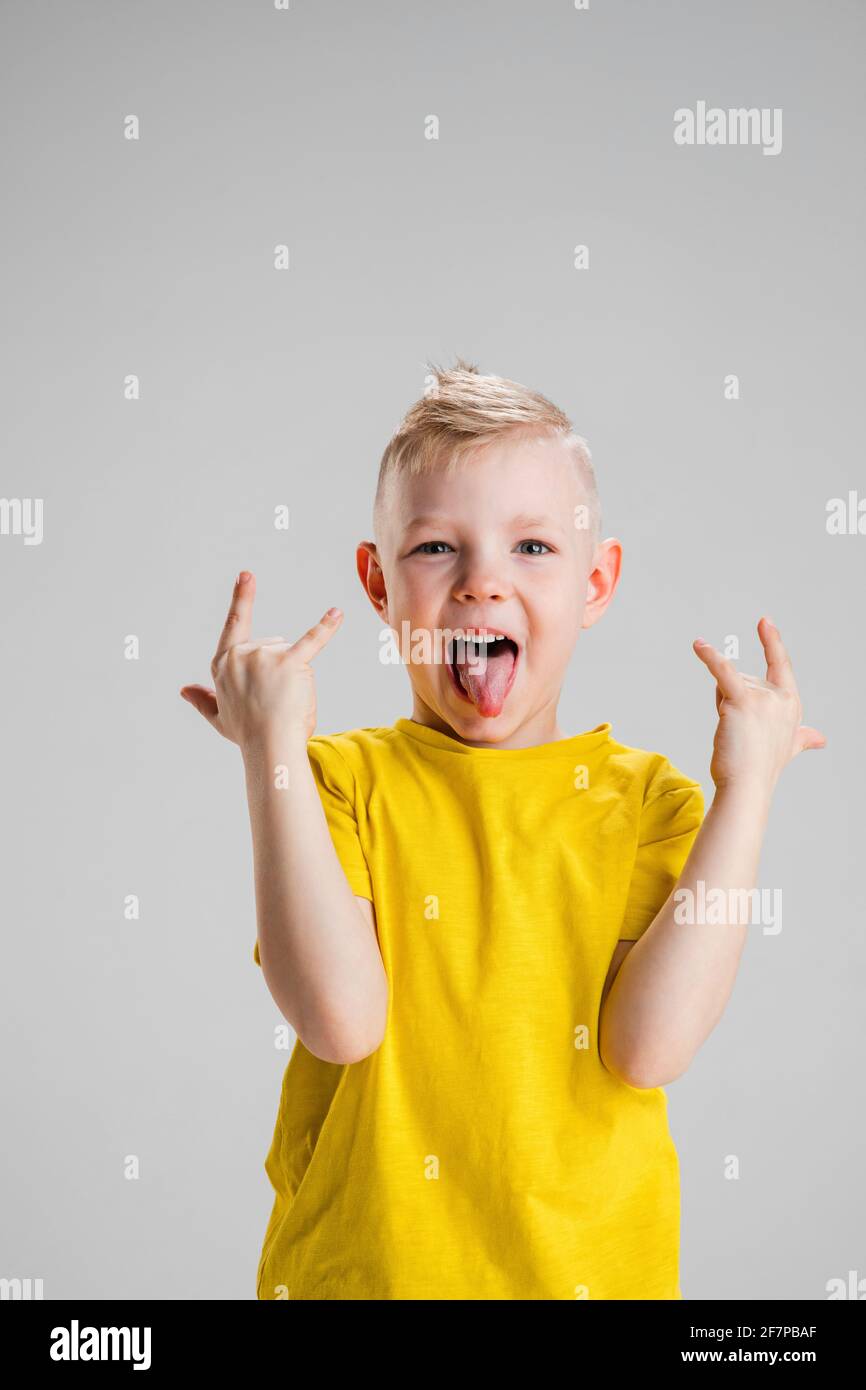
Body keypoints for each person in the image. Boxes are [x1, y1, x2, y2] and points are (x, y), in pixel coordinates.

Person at [180, 359, 825, 1300]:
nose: (483, 584)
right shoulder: (338, 784)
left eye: (532, 548)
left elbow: (648, 1049)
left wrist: (748, 791)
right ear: (376, 583)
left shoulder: (651, 806)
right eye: (437, 548)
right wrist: (271, 745)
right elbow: (340, 1019)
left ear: (596, 583)